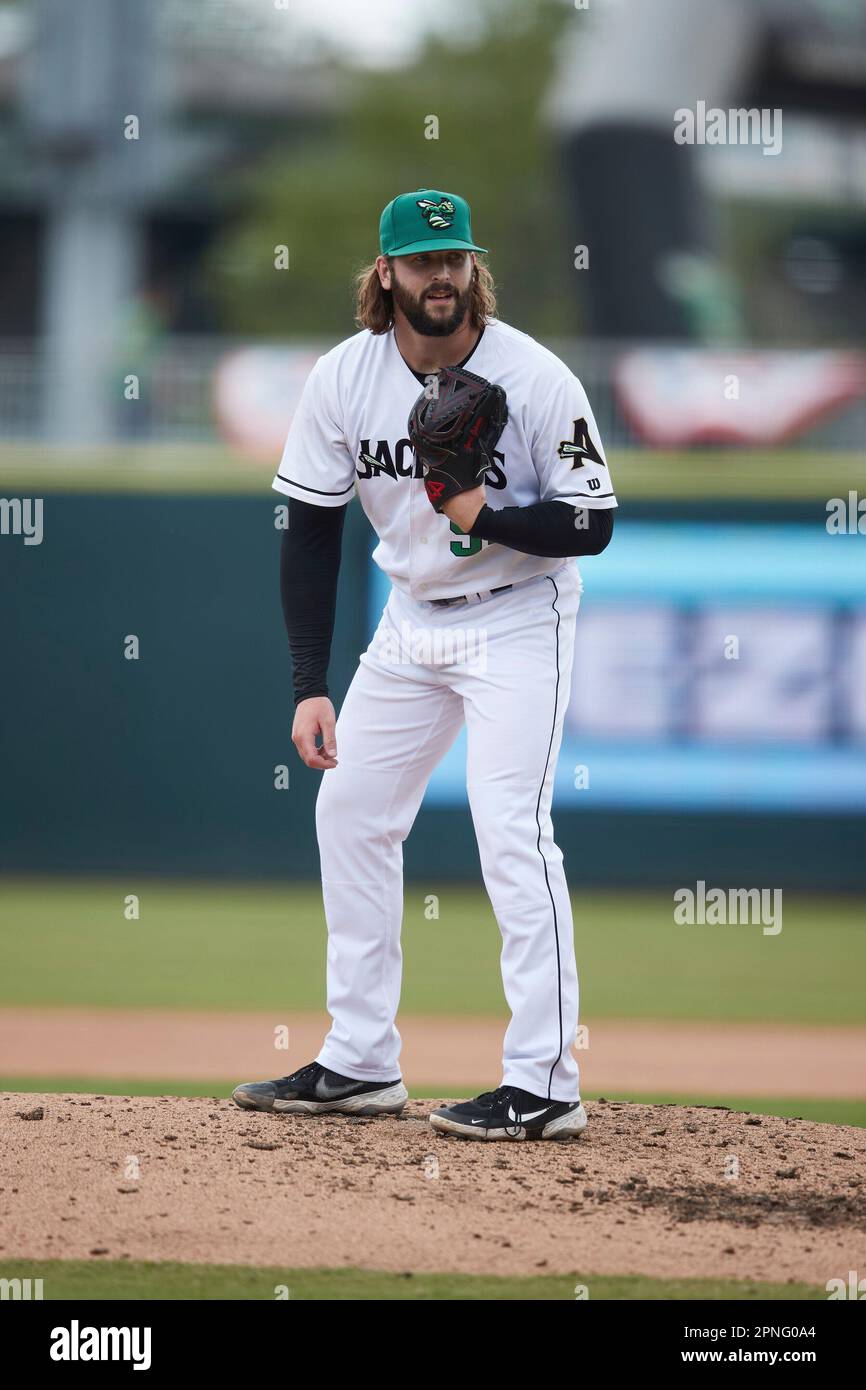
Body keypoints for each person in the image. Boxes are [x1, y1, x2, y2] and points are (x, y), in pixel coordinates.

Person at [232, 188, 616, 1141]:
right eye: (421, 261)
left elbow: (594, 522)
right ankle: (361, 1062)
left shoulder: (535, 375)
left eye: (455, 260)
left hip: (521, 614)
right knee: (352, 810)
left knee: (511, 834)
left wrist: (483, 515)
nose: (440, 276)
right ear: (387, 273)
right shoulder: (343, 378)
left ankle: (547, 1083)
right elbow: (310, 534)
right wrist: (309, 682)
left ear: (471, 268)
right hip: (412, 621)